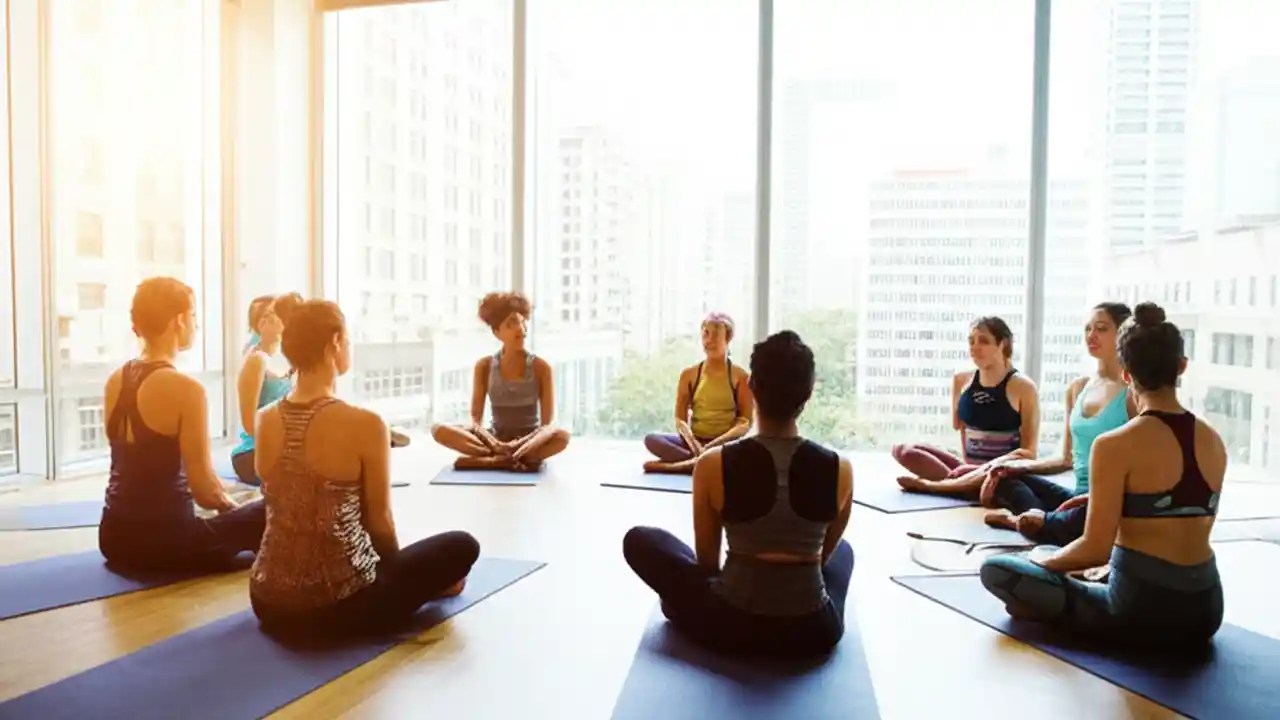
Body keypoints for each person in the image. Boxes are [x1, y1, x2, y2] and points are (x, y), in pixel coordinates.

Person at [980, 303, 1225, 648]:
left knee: (997, 569)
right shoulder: (1213, 440)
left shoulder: (1115, 445)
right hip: (1206, 611)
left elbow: (1094, 548)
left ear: (1127, 374)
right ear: (1181, 366)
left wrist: (1044, 562)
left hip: (1137, 609)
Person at [250, 300, 480, 638]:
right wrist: (400, 574)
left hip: (266, 601)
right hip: (335, 609)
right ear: (335, 343)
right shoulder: (365, 423)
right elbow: (380, 523)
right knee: (463, 546)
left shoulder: (265, 418)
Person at [623, 331, 855, 657]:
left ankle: (690, 609)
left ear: (752, 386)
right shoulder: (841, 468)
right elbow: (823, 559)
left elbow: (707, 565)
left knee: (639, 540)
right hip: (813, 631)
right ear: (809, 392)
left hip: (731, 625)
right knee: (844, 552)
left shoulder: (711, 464)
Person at [98, 277, 265, 572]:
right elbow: (205, 492)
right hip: (168, 544)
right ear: (179, 320)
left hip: (113, 537)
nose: (196, 325)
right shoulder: (187, 390)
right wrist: (238, 512)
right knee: (269, 510)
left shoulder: (115, 380)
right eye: (194, 316)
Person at [981, 303, 1138, 546]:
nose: (1091, 335)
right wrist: (1016, 468)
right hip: (1077, 499)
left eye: (1101, 328)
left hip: (1110, 506)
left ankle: (1029, 522)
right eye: (1087, 329)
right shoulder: (1078, 388)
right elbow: (1065, 459)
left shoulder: (1134, 393)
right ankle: (1043, 522)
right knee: (1006, 476)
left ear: (1122, 334)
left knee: (1077, 518)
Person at [894, 317, 1040, 495]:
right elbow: (961, 428)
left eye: (984, 341)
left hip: (1000, 476)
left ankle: (954, 486)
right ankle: (961, 486)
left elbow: (1029, 452)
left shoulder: (1024, 387)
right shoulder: (961, 380)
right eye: (971, 341)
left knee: (970, 474)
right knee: (903, 450)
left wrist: (986, 469)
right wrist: (969, 470)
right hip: (967, 469)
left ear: (1003, 344)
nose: (974, 347)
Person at [430, 292, 570, 471]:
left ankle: (495, 460)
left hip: (529, 441)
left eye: (522, 322)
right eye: (511, 324)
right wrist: (495, 444)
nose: (520, 329)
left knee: (562, 437)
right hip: (494, 439)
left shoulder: (541, 367)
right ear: (497, 332)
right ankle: (503, 459)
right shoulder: (484, 366)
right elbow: (474, 420)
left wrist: (519, 444)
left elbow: (547, 425)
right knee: (438, 430)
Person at [643, 312, 754, 474]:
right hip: (694, 443)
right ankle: (701, 462)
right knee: (652, 439)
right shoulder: (689, 374)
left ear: (728, 338)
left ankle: (683, 466)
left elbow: (744, 422)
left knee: (751, 453)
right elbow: (680, 420)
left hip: (724, 444)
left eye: (715, 335)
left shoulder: (741, 377)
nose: (709, 340)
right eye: (705, 334)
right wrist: (695, 445)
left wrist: (712, 446)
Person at [230, 293, 302, 486]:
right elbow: (249, 424)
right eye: (268, 314)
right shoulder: (256, 360)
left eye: (275, 313)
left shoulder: (284, 359)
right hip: (252, 454)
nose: (270, 317)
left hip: (279, 447)